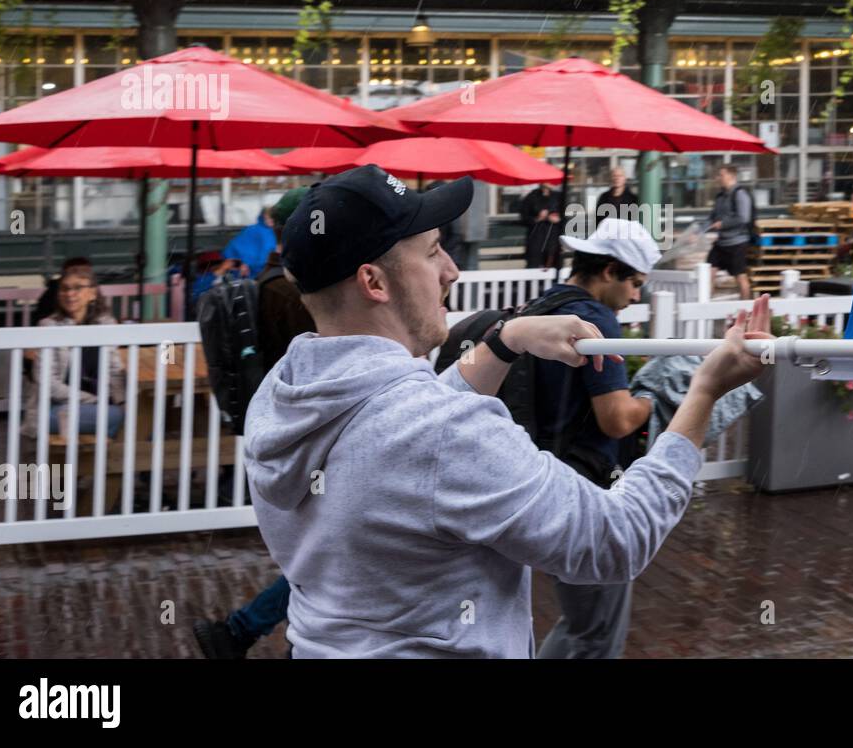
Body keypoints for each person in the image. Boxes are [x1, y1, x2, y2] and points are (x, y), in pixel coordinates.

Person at [244, 164, 770, 657]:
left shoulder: (283, 392)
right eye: (431, 253)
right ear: (373, 282)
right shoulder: (439, 432)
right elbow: (616, 541)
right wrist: (703, 392)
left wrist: (505, 340)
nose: (451, 270)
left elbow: (399, 422)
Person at [193, 187, 312, 659]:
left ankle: (240, 632)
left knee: (323, 555)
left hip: (284, 430)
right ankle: (247, 633)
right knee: (326, 554)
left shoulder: (270, 283)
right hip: (306, 434)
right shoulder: (291, 293)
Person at [534, 219, 659, 659]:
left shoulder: (544, 306)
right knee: (596, 631)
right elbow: (617, 419)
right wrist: (652, 398)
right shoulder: (596, 321)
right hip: (586, 490)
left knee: (581, 622)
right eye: (635, 283)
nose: (636, 296)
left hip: (541, 478)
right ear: (609, 270)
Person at [24, 263, 126, 438]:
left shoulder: (105, 323)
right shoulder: (49, 326)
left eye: (77, 288)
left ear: (92, 293)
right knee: (123, 417)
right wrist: (95, 401)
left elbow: (114, 370)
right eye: (64, 289)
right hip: (55, 409)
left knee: (134, 412)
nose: (70, 294)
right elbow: (48, 384)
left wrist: (122, 400)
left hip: (95, 407)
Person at [708, 164, 754, 299]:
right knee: (707, 274)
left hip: (737, 243)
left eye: (721, 175)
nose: (718, 178)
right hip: (721, 243)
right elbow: (712, 217)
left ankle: (745, 310)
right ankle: (705, 309)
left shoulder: (740, 194)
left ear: (731, 176)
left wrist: (723, 224)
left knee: (740, 277)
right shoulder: (720, 197)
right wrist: (698, 231)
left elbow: (744, 218)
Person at [30, 256, 94, 326]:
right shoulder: (49, 322)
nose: (69, 293)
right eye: (65, 288)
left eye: (78, 287)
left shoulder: (101, 320)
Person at [223, 207, 277, 278]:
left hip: (262, 270)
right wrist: (243, 264)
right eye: (268, 217)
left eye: (273, 217)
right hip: (245, 270)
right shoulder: (252, 229)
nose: (271, 220)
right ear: (263, 216)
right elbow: (234, 248)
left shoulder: (272, 233)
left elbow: (269, 252)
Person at [519, 182, 562, 269]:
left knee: (554, 266)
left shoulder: (558, 196)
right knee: (533, 267)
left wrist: (558, 219)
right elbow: (524, 218)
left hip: (553, 238)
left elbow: (565, 216)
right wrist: (538, 218)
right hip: (536, 238)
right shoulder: (531, 197)